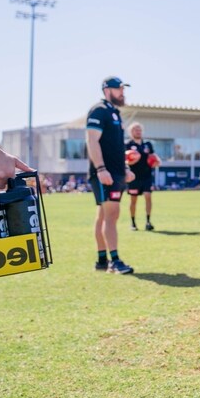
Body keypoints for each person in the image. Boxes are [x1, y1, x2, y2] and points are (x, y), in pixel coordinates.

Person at [87, 77, 136, 275]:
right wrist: (100, 169)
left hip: (116, 172)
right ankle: (114, 262)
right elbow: (92, 140)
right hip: (104, 173)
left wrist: (124, 168)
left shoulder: (114, 112)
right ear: (107, 90)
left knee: (103, 216)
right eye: (119, 89)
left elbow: (115, 147)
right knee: (111, 215)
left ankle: (101, 260)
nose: (122, 93)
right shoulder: (99, 110)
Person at [125, 123, 159, 231]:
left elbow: (153, 157)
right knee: (133, 200)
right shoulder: (127, 145)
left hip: (147, 176)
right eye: (135, 129)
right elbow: (124, 161)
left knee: (148, 196)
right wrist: (132, 161)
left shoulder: (148, 144)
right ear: (131, 132)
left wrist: (156, 162)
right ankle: (133, 223)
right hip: (134, 177)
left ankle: (148, 222)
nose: (138, 131)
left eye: (139, 129)